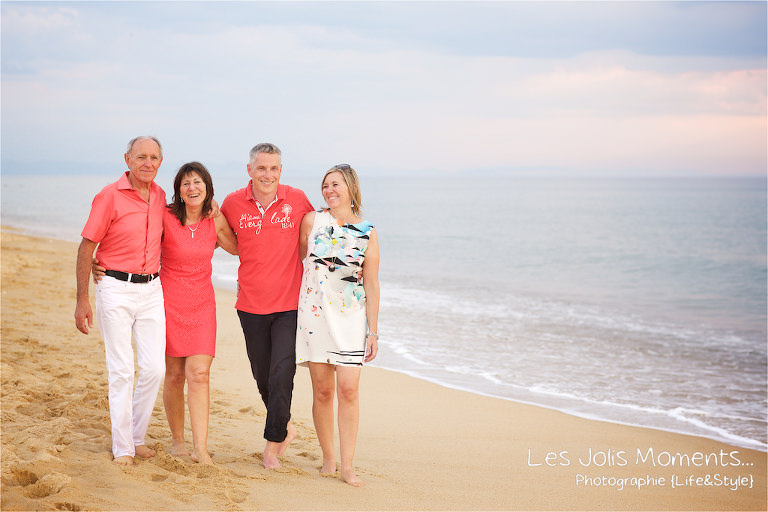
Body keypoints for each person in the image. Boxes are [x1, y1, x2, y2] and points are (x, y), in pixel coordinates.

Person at [93, 162, 237, 465]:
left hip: (202, 305)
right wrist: (101, 259)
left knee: (199, 374)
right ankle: (178, 441)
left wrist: (222, 212)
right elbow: (136, 241)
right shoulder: (167, 217)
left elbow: (238, 250)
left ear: (208, 187)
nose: (192, 188)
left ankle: (201, 448)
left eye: (198, 182)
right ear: (178, 191)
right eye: (186, 184)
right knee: (172, 375)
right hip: (166, 301)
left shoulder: (215, 220)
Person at [220, 143, 314, 469]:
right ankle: (285, 427)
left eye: (274, 168)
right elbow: (210, 230)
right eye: (262, 168)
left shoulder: (298, 199)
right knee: (262, 375)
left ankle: (272, 445)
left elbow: (322, 232)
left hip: (290, 304)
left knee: (282, 372)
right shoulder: (232, 203)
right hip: (250, 304)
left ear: (281, 170)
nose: (268, 174)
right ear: (250, 170)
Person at [75, 136, 167, 466]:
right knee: (122, 370)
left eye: (154, 158)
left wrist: (211, 207)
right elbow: (87, 246)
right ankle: (124, 447)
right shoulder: (108, 196)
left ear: (160, 161)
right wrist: (82, 299)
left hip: (152, 289)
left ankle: (137, 436)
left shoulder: (160, 196)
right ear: (127, 159)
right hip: (114, 287)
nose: (147, 163)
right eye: (141, 156)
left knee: (155, 368)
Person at [295, 164, 380, 487]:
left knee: (348, 389)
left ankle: (348, 465)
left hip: (351, 319)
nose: (330, 190)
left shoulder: (368, 231)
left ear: (351, 188)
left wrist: (373, 331)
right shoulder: (312, 221)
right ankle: (328, 458)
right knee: (323, 390)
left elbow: (372, 284)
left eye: (336, 184)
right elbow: (295, 259)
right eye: (326, 185)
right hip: (315, 315)